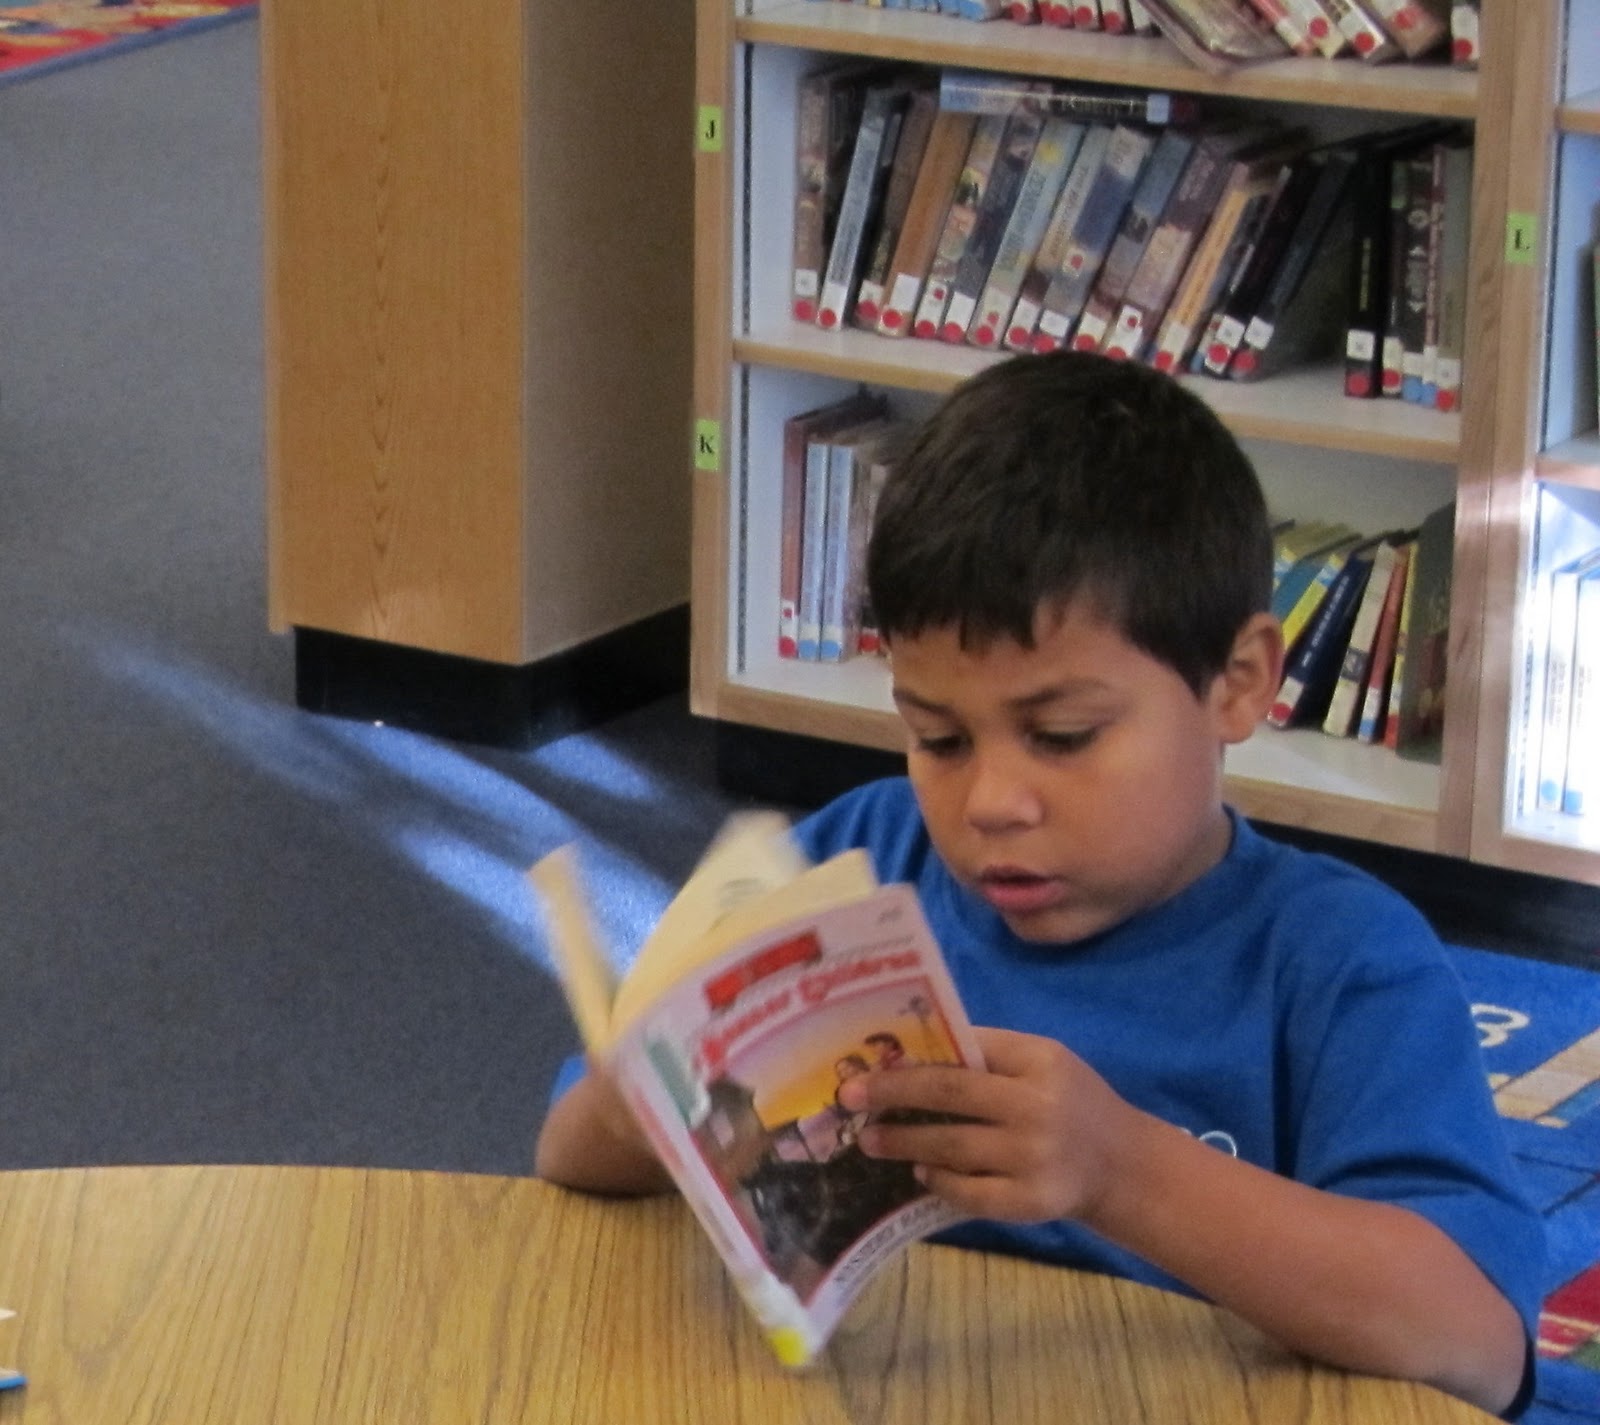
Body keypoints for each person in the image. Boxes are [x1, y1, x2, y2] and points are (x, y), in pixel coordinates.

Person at [535, 351, 1544, 1419]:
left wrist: (1119, 1171)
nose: (991, 803)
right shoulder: (859, 866)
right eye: (937, 736)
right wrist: (643, 1091)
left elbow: (1474, 1342)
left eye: (1062, 736)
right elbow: (568, 1158)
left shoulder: (1341, 959)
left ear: (1238, 682)